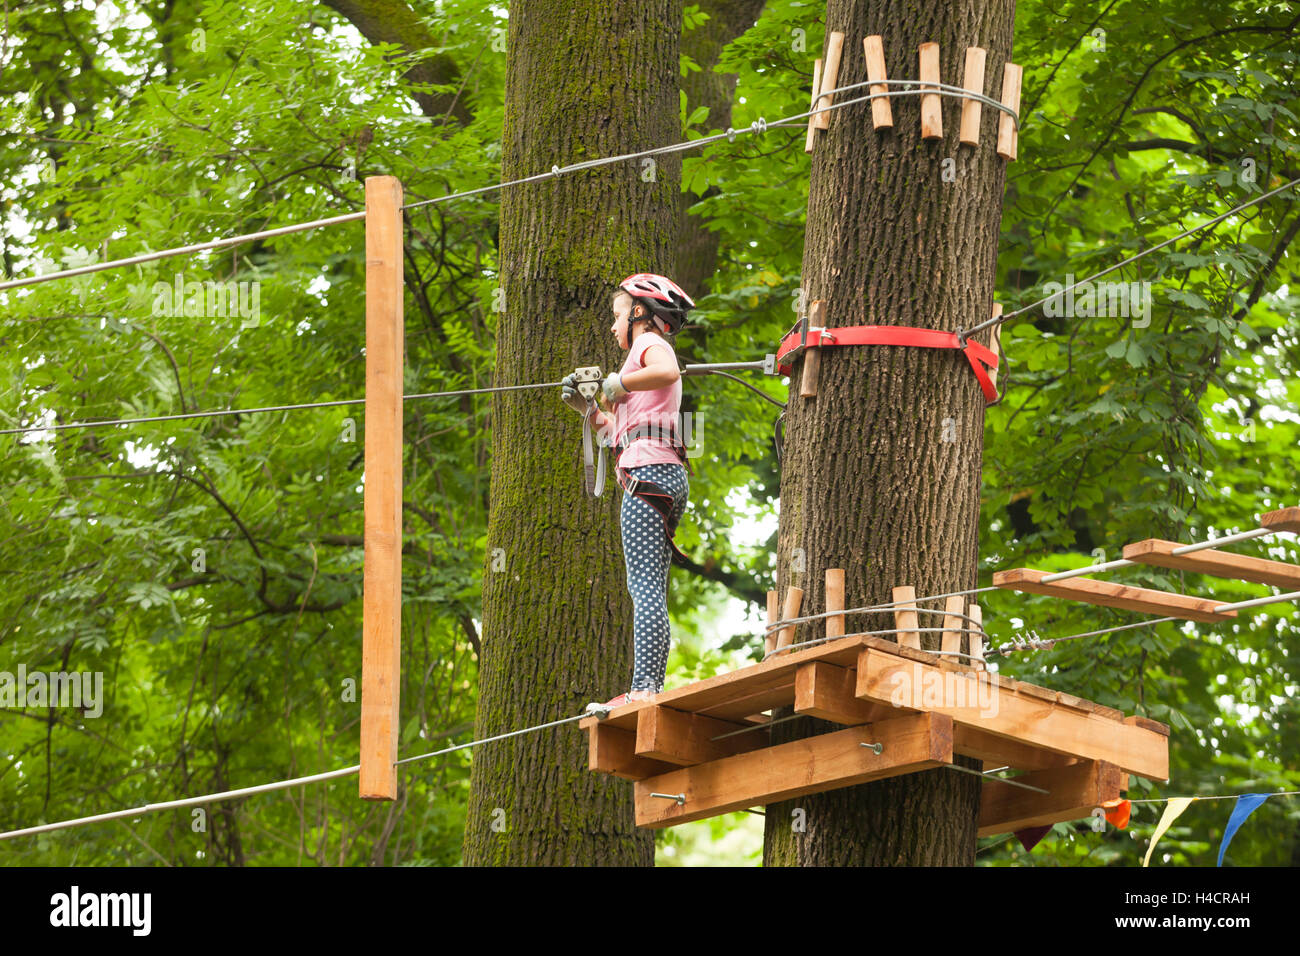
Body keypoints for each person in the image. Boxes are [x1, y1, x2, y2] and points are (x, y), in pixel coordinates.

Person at [561, 274, 694, 707]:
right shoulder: (639, 368)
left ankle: (644, 691)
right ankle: (647, 687)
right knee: (650, 585)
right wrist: (590, 409)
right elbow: (616, 435)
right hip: (660, 471)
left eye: (617, 314)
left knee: (644, 587)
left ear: (639, 313)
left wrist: (620, 382)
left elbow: (668, 368)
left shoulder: (646, 345)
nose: (612, 325)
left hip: (648, 474)